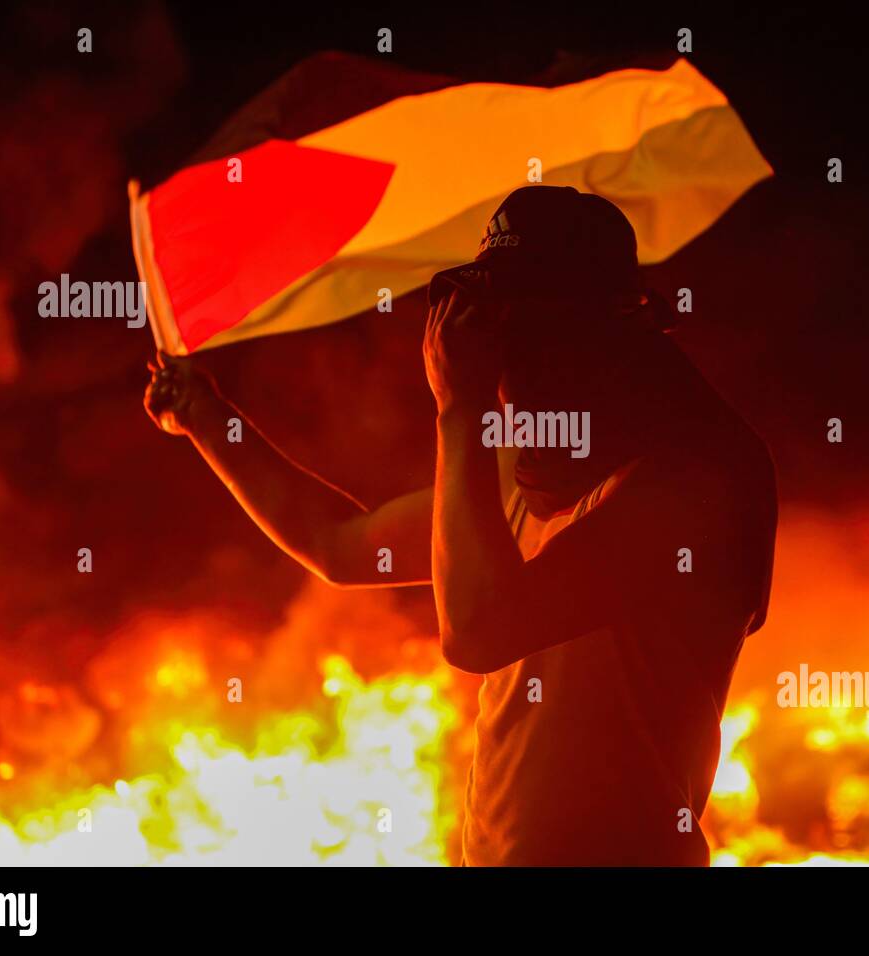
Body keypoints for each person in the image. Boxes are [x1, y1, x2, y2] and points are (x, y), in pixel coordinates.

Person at [144, 185, 777, 865]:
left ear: (601, 327)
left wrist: (460, 412)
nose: (496, 356)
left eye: (516, 325)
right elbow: (341, 546)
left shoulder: (699, 478)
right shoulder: (537, 461)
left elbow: (480, 630)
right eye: (488, 324)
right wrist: (205, 418)